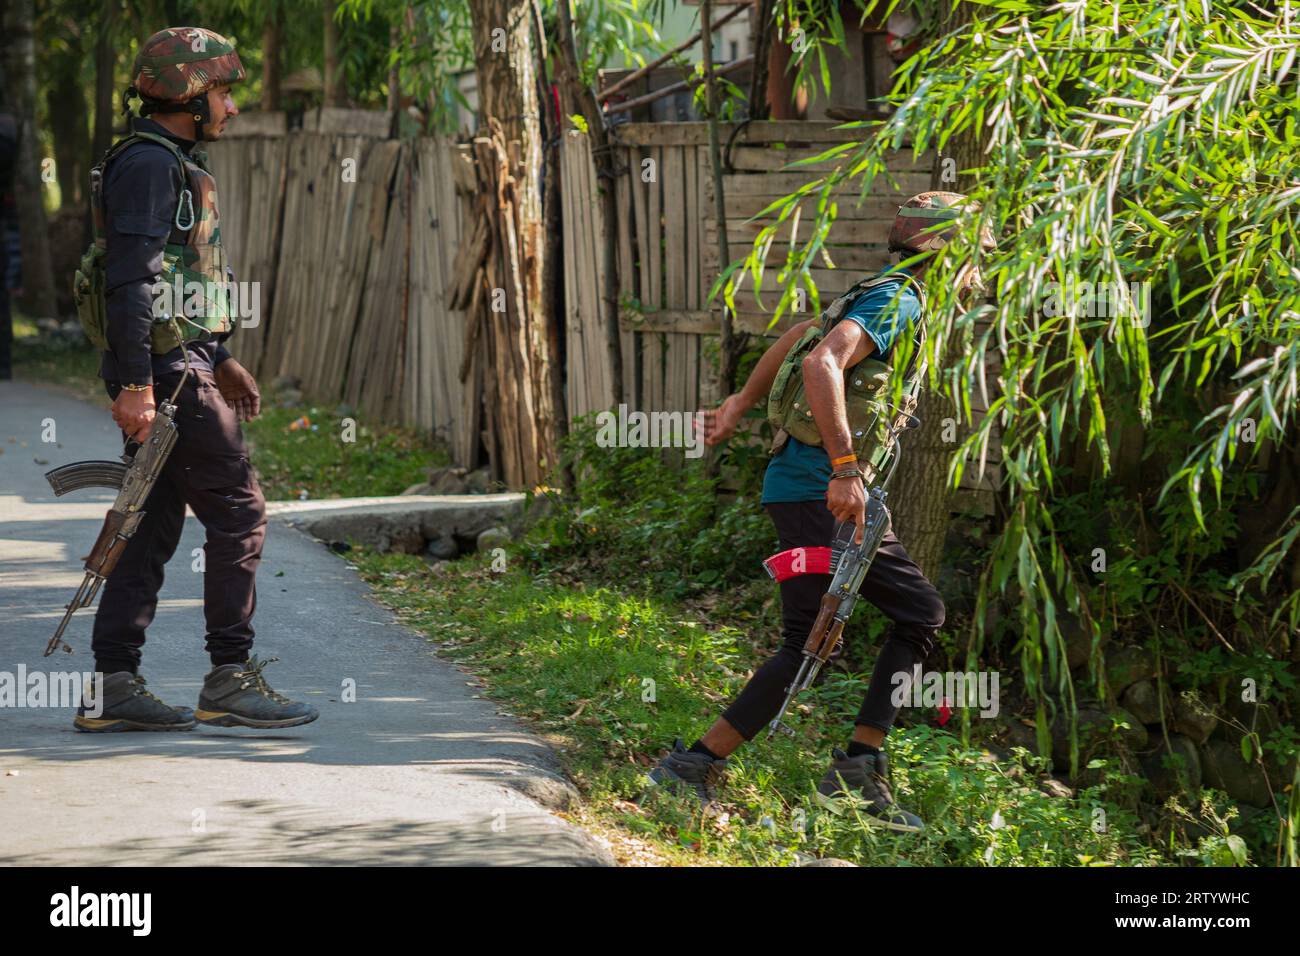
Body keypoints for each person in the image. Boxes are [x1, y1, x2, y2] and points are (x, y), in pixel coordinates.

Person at [645, 192, 994, 830]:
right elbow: (821, 359)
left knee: (913, 613)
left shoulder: (884, 290)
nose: (979, 272)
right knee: (816, 636)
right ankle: (694, 767)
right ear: (951, 254)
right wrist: (844, 466)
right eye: (975, 258)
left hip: (819, 490)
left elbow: (803, 333)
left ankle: (856, 769)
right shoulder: (900, 299)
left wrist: (739, 404)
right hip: (819, 490)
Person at [75, 26, 317, 733]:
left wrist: (223, 352)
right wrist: (137, 386)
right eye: (223, 91)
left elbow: (185, 279)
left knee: (148, 527)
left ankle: (115, 684)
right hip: (169, 377)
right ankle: (228, 678)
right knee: (240, 513)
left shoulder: (171, 161)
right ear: (189, 94)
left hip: (184, 363)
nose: (232, 107)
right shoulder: (150, 166)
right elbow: (132, 282)